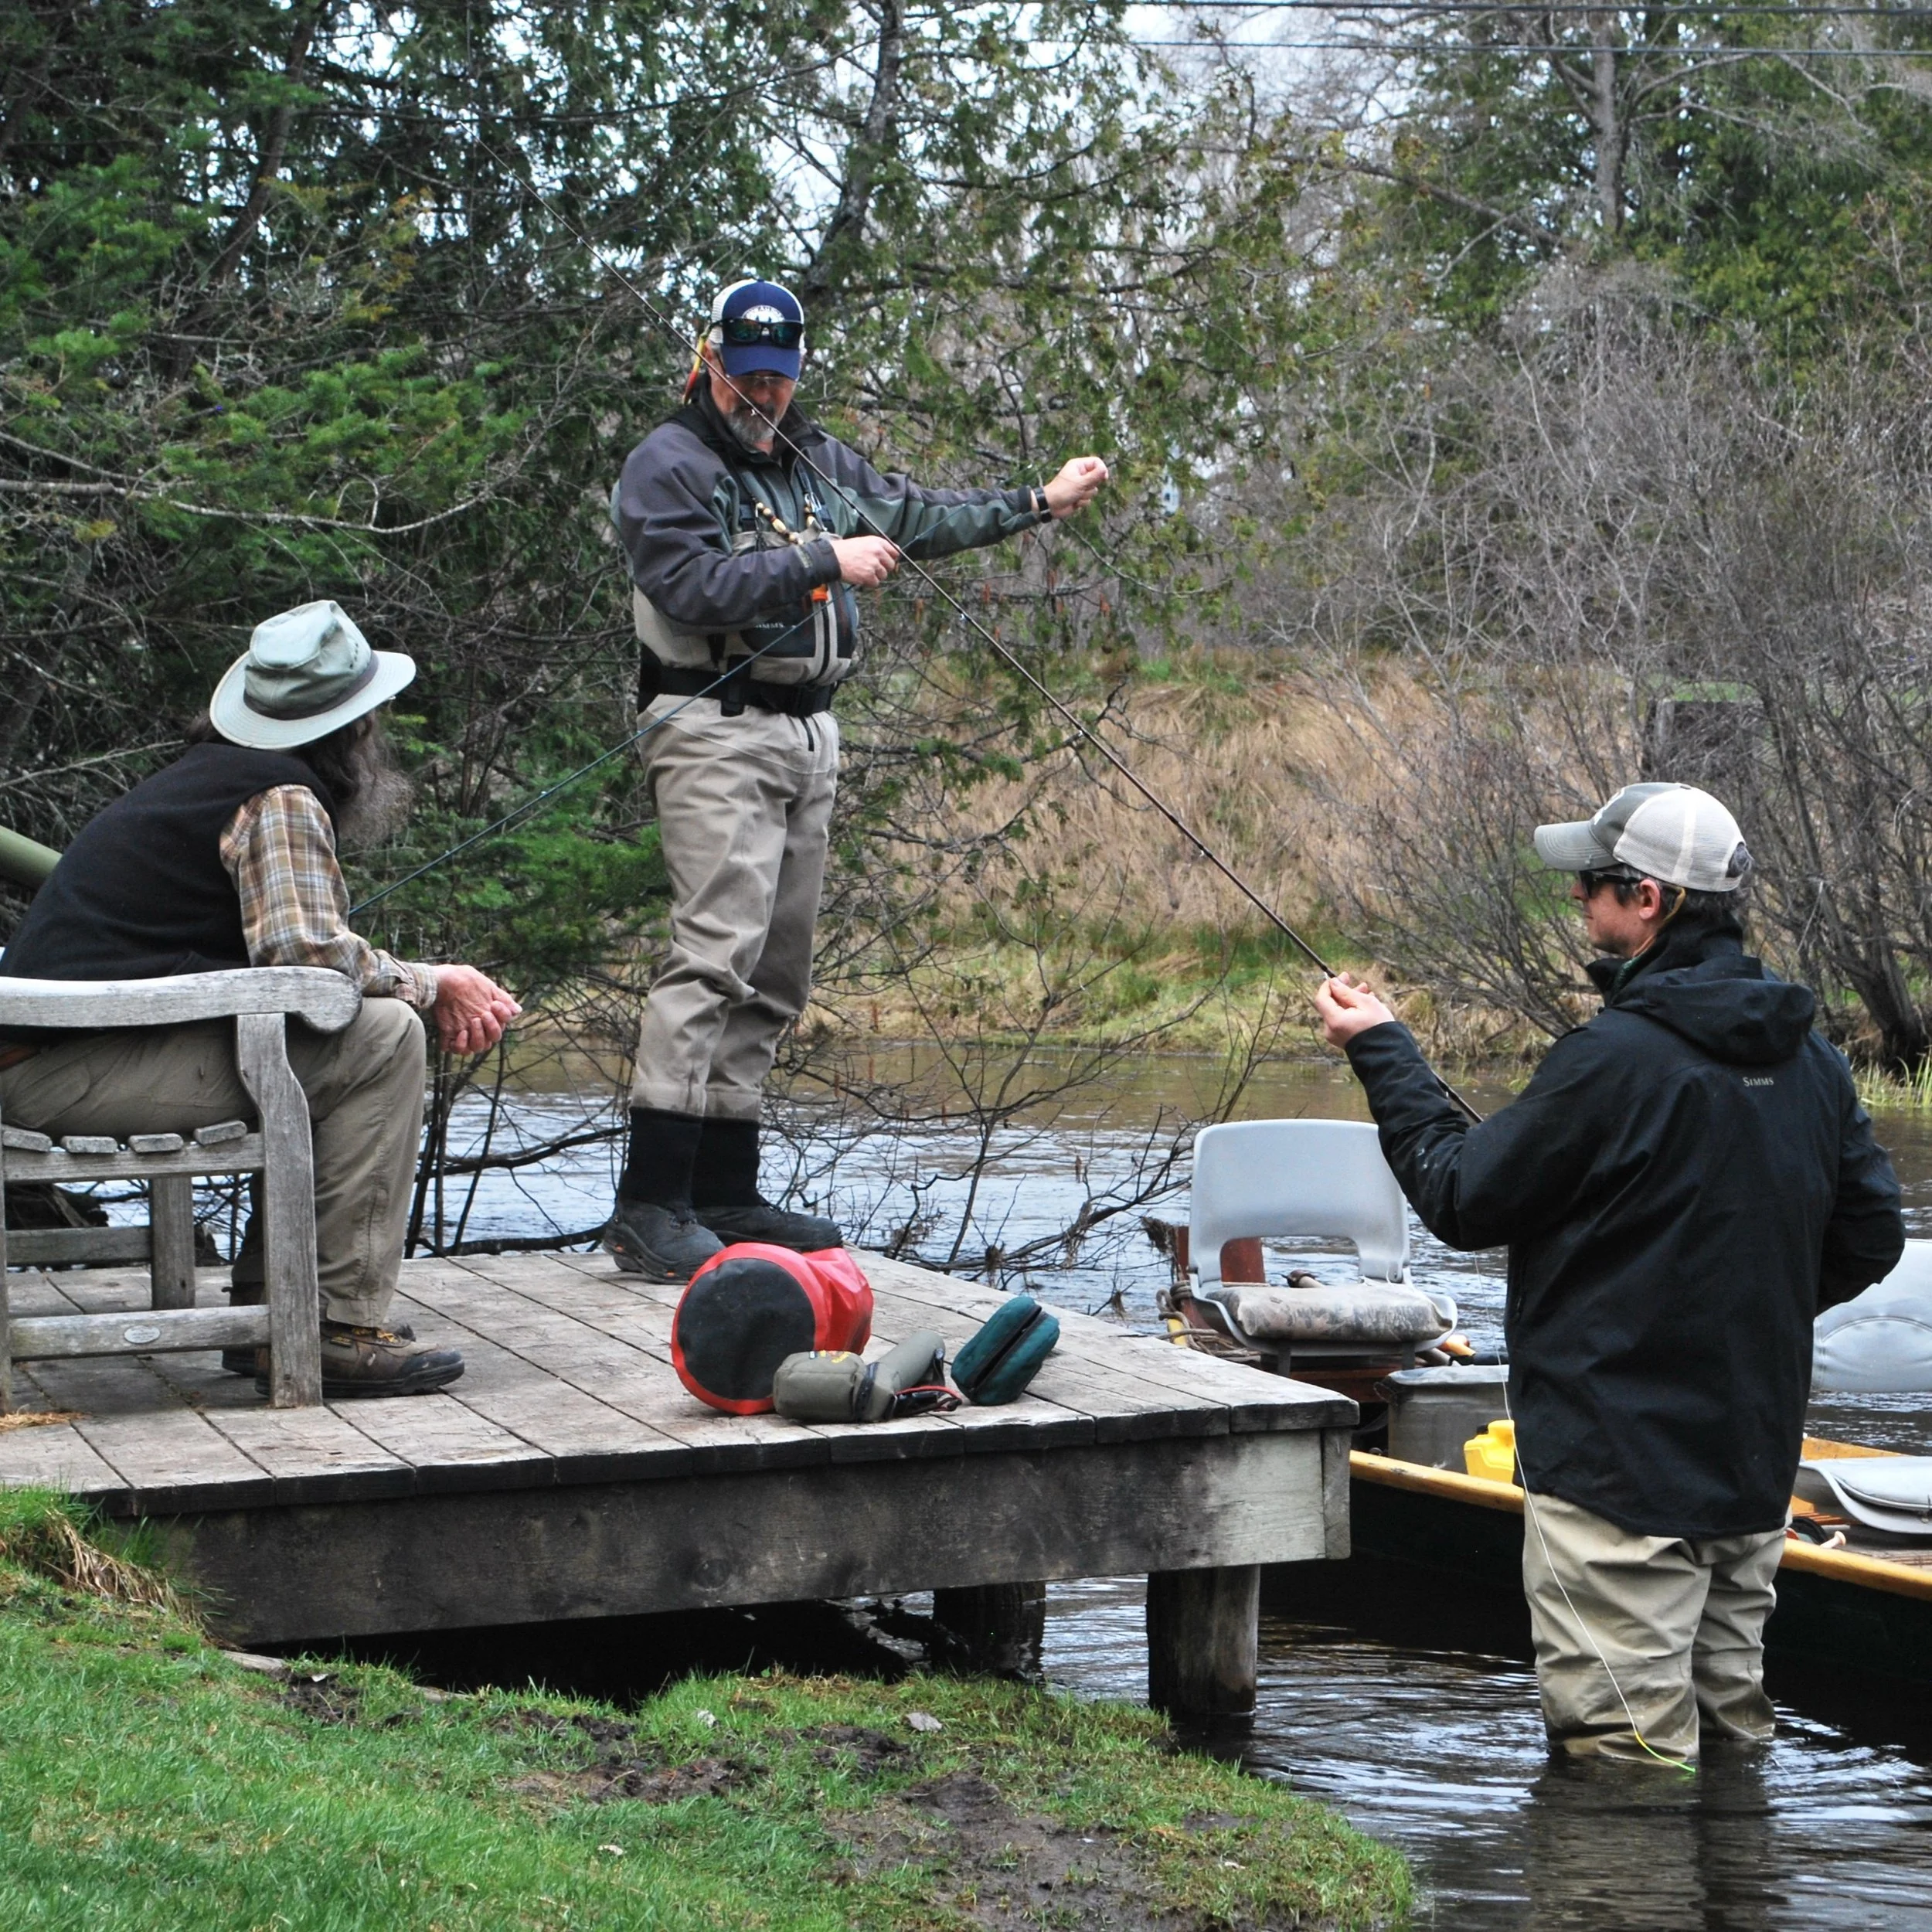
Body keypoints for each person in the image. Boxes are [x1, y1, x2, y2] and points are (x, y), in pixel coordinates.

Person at [1314, 781, 1903, 1762]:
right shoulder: (1814, 1063)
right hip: (1749, 1469)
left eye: (1591, 884)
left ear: (1648, 900)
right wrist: (1737, 1311)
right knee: (1729, 1741)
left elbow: (1459, 1196)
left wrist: (1381, 1051)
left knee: (1624, 1763)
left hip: (1613, 1481)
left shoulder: (1611, 1058)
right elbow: (1869, 1236)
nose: (1577, 903)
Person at [607, 277, 1110, 1280]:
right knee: (712, 957)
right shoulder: (667, 465)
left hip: (808, 735)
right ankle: (649, 1203)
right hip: (711, 727)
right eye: (746, 378)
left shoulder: (815, 458)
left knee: (776, 971)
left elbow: (917, 516)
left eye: (779, 380)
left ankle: (724, 1187)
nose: (764, 396)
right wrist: (821, 560)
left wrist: (1037, 503)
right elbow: (687, 583)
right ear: (710, 365)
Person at [0, 602, 522, 1397]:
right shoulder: (279, 798)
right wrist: (431, 982)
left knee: (342, 1034)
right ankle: (328, 1325)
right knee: (380, 1037)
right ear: (355, 729)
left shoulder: (203, 782)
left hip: (55, 1050)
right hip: (57, 1067)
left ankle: (285, 1311)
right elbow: (305, 962)